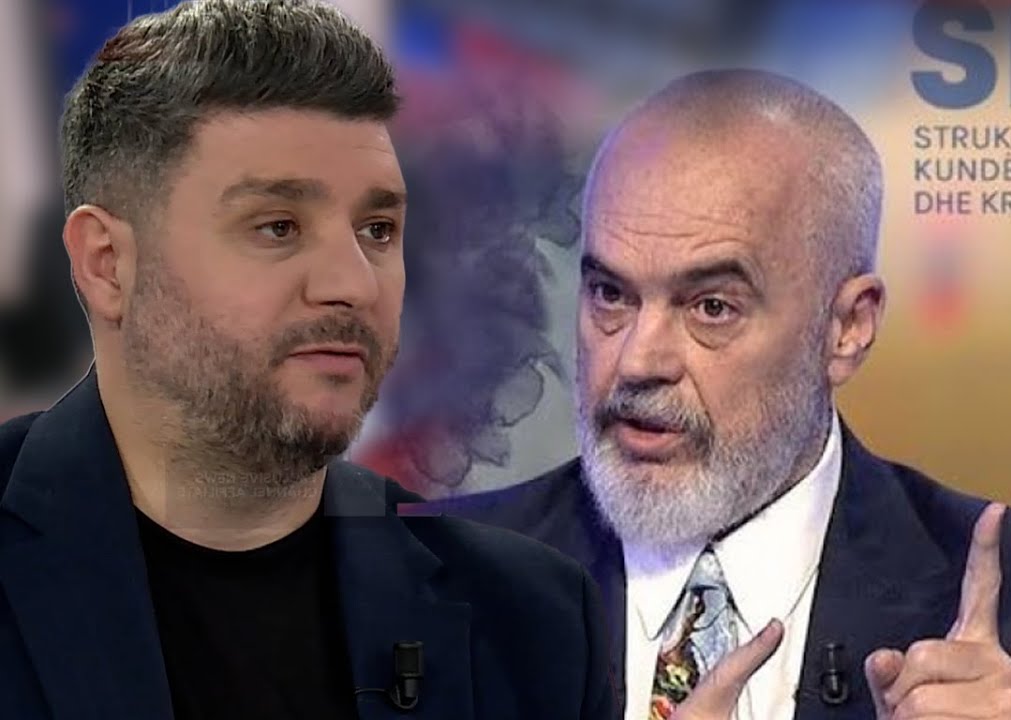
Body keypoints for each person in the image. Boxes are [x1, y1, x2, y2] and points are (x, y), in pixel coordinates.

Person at [423, 69, 1011, 720]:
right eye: (611, 295)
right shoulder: (424, 578)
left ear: (847, 328)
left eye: (711, 307)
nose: (637, 361)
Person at [0, 2, 613, 718]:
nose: (353, 283)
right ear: (108, 265)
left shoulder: (530, 623)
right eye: (278, 227)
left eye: (377, 229)